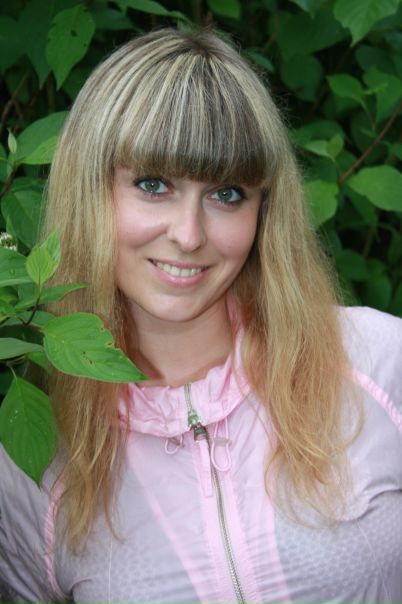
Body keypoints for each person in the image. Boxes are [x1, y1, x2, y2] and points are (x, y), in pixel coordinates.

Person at [0, 28, 401, 604]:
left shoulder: (378, 363)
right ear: (90, 192)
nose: (189, 236)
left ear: (265, 210)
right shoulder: (33, 457)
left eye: (227, 194)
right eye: (153, 185)